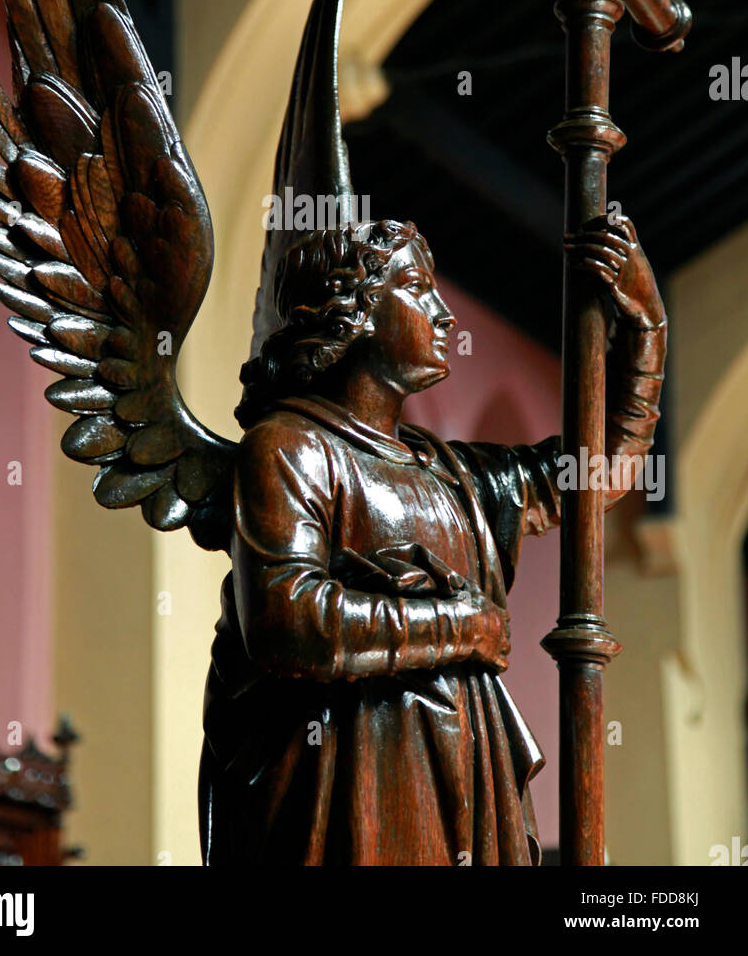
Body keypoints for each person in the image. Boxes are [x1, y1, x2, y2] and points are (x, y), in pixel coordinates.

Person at [199, 214, 666, 865]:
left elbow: (597, 472)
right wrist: (458, 626)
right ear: (353, 311)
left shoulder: (458, 476)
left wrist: (646, 329)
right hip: (348, 795)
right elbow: (286, 619)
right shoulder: (291, 447)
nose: (445, 315)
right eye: (418, 288)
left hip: (462, 789)